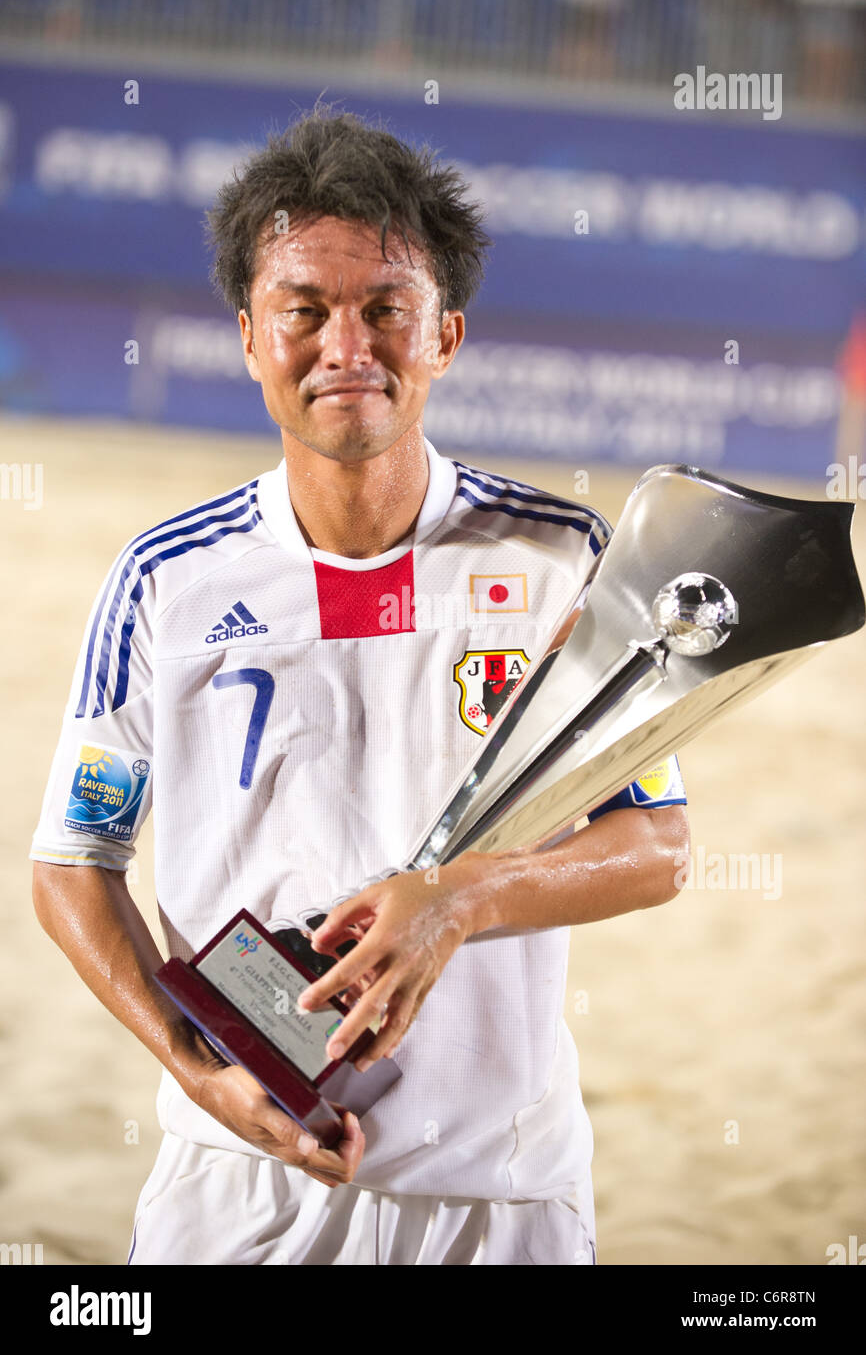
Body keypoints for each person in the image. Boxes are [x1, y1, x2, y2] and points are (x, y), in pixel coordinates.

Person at [30, 104, 689, 1266]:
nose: (346, 347)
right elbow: (71, 864)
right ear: (247, 334)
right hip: (235, 1185)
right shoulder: (164, 580)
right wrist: (193, 1073)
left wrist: (455, 899)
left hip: (501, 1196)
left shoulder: (558, 560)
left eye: (386, 310)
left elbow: (658, 845)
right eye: (304, 311)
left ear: (444, 337)